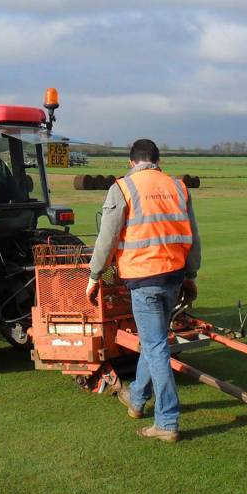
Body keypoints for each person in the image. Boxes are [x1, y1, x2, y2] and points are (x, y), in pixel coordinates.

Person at [85, 139, 202, 442]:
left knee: (155, 347)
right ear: (157, 160)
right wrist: (190, 276)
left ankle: (167, 421)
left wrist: (95, 275)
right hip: (173, 277)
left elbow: (107, 237)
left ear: (131, 162)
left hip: (143, 279)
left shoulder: (122, 188)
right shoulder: (178, 187)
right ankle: (136, 398)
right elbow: (193, 236)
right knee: (155, 341)